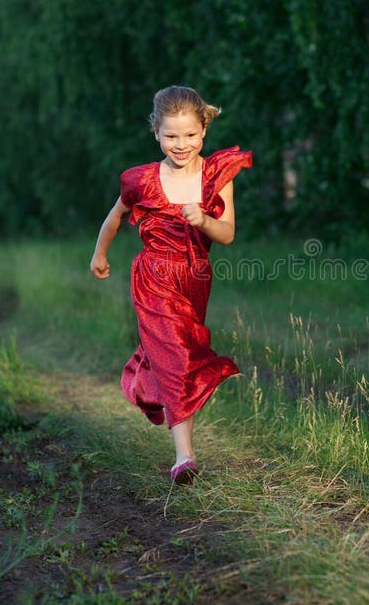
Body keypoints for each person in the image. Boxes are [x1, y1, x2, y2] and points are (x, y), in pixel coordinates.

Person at [90, 85, 252, 485]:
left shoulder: (216, 176)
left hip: (194, 277)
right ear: (156, 133)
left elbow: (228, 233)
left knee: (185, 355)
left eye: (190, 135)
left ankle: (147, 383)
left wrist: (204, 221)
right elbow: (114, 218)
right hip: (153, 279)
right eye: (171, 136)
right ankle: (185, 456)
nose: (181, 144)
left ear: (203, 131)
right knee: (176, 356)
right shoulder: (141, 181)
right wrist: (100, 255)